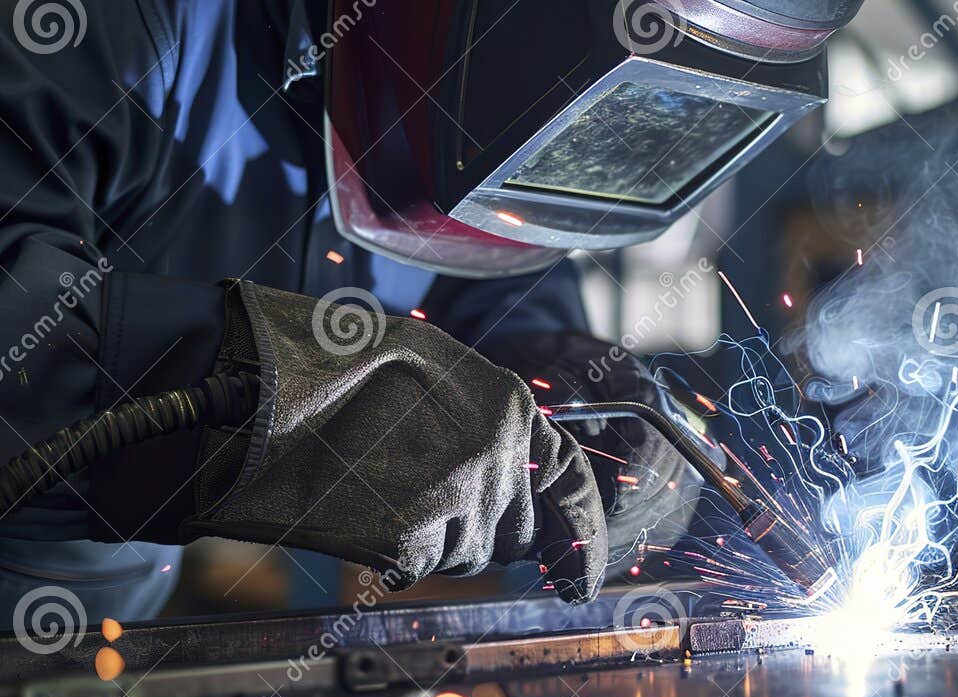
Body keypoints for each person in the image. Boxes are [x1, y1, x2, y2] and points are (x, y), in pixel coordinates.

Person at [0, 0, 861, 623]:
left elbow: (503, 298)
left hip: (104, 631)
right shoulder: (124, 27)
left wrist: (584, 397)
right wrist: (297, 405)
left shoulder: (477, 120)